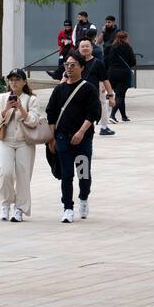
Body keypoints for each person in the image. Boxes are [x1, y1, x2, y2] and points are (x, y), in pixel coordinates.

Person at [46, 52, 102, 223]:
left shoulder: (88, 88)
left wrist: (81, 132)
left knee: (83, 174)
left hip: (82, 140)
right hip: (62, 138)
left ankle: (83, 198)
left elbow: (93, 113)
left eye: (73, 65)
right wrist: (52, 137)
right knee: (67, 174)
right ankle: (68, 208)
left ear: (81, 67)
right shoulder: (59, 89)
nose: (69, 68)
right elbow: (51, 113)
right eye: (66, 65)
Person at [0, 68, 40, 222]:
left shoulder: (31, 99)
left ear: (24, 82)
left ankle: (20, 208)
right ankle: (5, 204)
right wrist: (6, 109)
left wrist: (20, 108)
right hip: (5, 140)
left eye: (17, 79)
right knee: (5, 172)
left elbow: (34, 121)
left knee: (23, 175)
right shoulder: (0, 98)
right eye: (11, 80)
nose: (14, 82)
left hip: (24, 142)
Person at [73, 39, 114, 135]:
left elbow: (105, 80)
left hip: (92, 97)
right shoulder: (74, 63)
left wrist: (111, 96)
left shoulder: (97, 63)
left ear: (92, 48)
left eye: (87, 46)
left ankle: (89, 132)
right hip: (76, 96)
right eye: (82, 46)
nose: (85, 48)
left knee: (90, 119)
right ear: (78, 49)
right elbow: (66, 77)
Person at [104, 30, 137, 123]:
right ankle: (112, 116)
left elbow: (106, 60)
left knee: (119, 94)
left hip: (112, 73)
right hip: (123, 74)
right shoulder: (128, 48)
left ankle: (124, 116)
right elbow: (132, 62)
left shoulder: (111, 47)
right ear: (125, 38)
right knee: (120, 95)